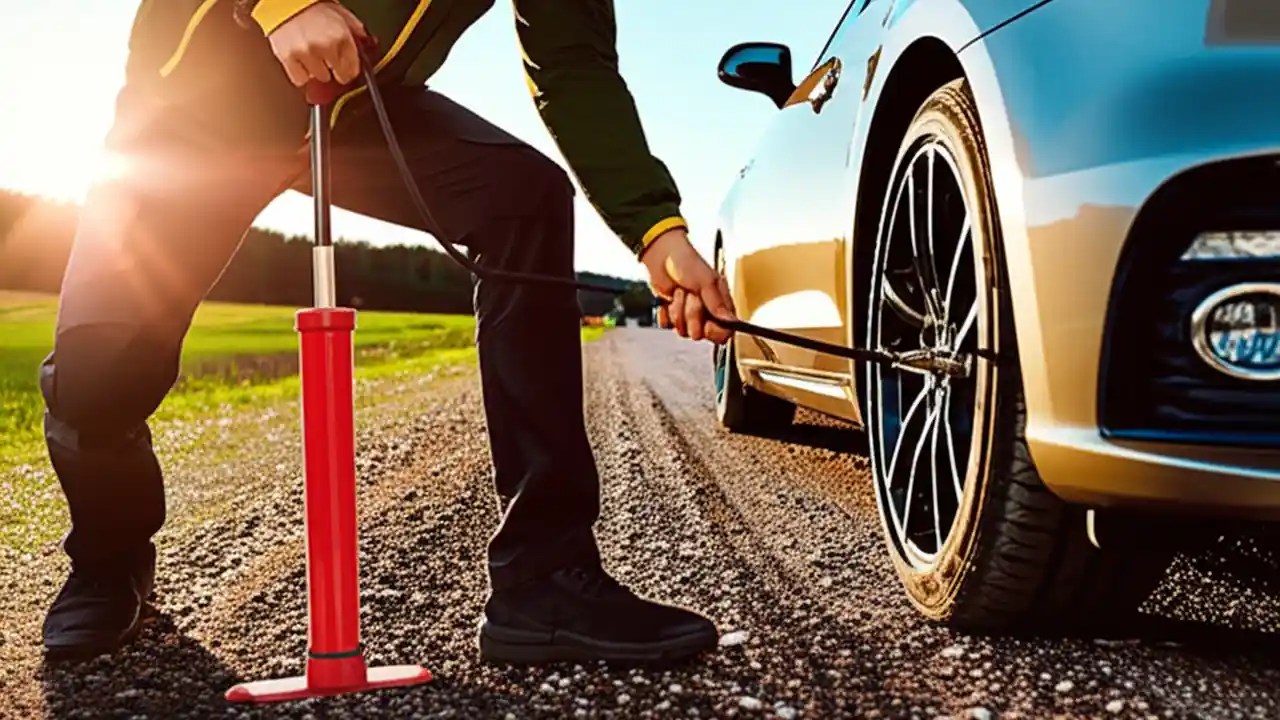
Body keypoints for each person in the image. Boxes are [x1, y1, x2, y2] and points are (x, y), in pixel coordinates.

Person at [40, 0, 737, 663]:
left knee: (522, 197)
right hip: (198, 104)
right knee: (98, 372)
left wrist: (656, 231)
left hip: (351, 106)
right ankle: (108, 556)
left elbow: (573, 65)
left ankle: (545, 579)